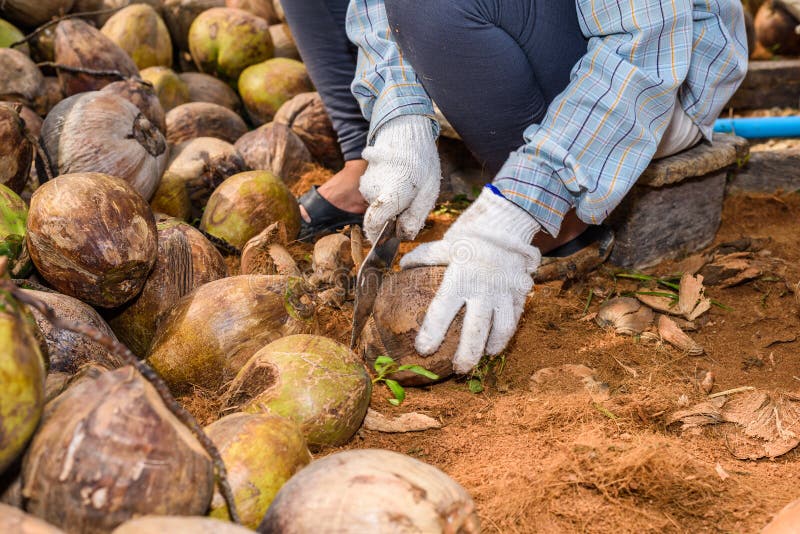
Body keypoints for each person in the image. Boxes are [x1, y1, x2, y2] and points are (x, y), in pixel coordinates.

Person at [283, 0, 748, 374]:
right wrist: (400, 117)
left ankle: (552, 216)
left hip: (663, 80)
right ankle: (366, 160)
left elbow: (645, 47)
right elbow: (375, 10)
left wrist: (517, 210)